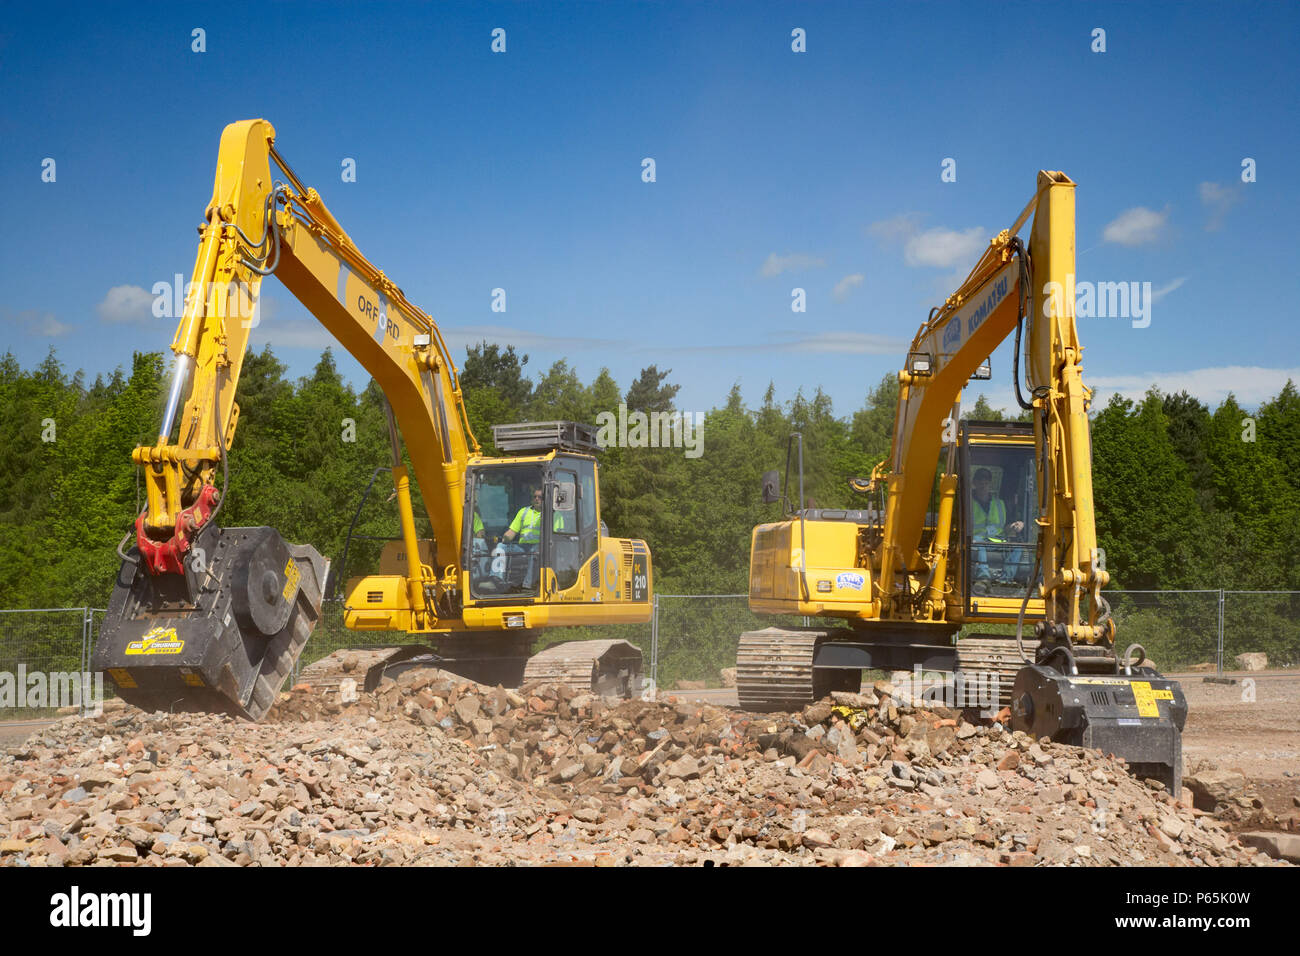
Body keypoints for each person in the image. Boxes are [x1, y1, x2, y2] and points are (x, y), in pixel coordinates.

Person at [970, 467, 1025, 590]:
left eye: (986, 482)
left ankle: (1005, 579)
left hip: (998, 540)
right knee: (979, 541)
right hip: (976, 541)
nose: (983, 484)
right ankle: (983, 577)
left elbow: (1005, 527)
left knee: (1018, 547)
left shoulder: (1000, 504)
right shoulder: (968, 503)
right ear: (974, 483)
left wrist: (1014, 526)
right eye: (980, 481)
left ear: (990, 484)